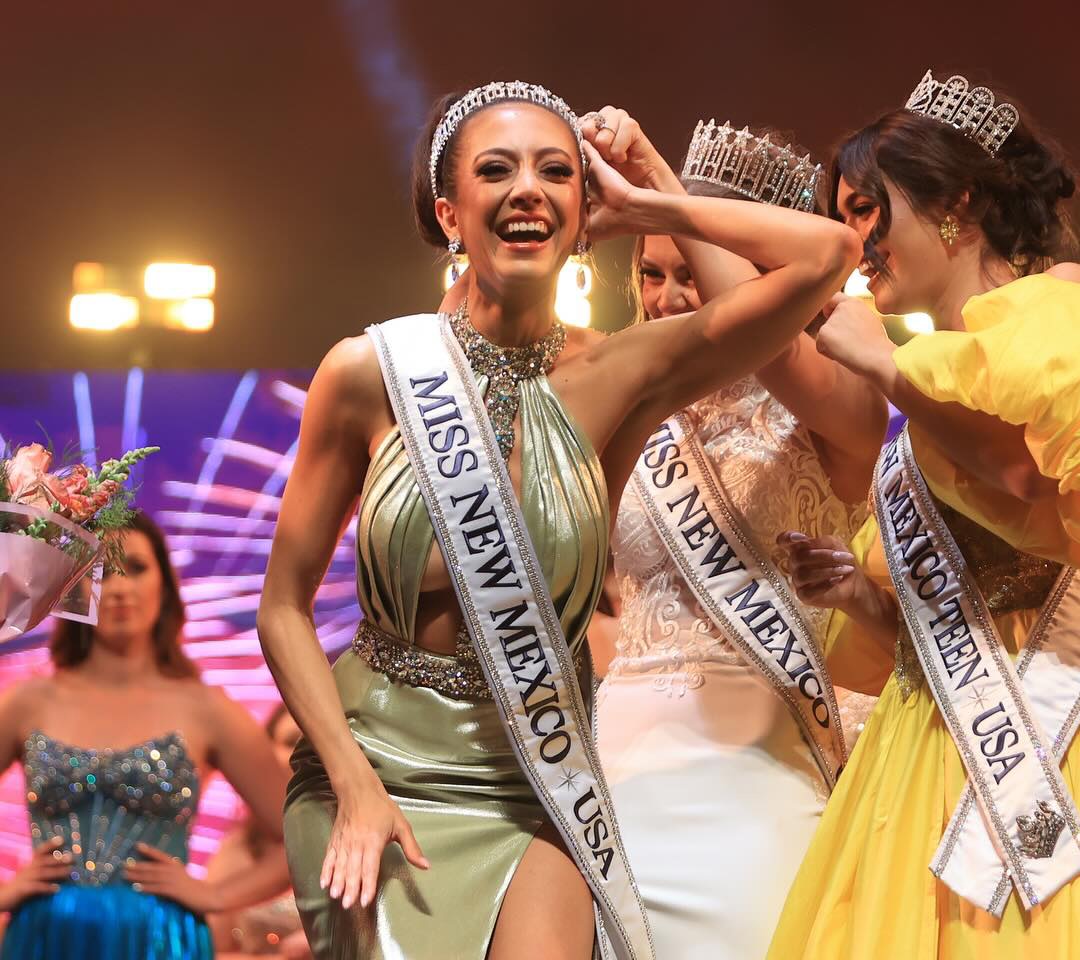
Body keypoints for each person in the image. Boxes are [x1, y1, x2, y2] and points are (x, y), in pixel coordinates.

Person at [257, 80, 860, 960]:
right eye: (495, 171)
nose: (526, 190)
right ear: (450, 212)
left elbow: (829, 255)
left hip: (537, 777)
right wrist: (352, 785)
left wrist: (649, 196)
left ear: (586, 213)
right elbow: (282, 608)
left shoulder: (625, 374)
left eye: (555, 173)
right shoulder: (367, 372)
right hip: (375, 761)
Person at [766, 69, 1080, 958]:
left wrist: (884, 364)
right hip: (924, 740)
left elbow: (1026, 478)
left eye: (870, 209)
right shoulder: (937, 366)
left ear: (957, 202)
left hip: (1050, 728)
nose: (856, 239)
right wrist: (859, 598)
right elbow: (925, 619)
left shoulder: (1054, 310)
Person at [590, 117, 886, 960]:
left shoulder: (837, 403)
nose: (669, 298)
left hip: (764, 765)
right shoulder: (623, 399)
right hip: (624, 773)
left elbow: (781, 315)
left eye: (693, 271)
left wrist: (653, 177)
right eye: (650, 273)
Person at [0, 512, 291, 960]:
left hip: (160, 939)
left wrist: (214, 896)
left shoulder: (207, 710)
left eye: (135, 568)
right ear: (70, 586)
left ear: (165, 585)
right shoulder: (26, 703)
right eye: (101, 571)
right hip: (45, 934)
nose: (118, 588)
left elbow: (300, 837)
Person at [208, 704, 312, 958]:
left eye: (317, 747)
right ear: (268, 752)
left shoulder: (372, 842)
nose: (304, 757)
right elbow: (213, 951)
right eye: (291, 742)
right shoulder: (241, 847)